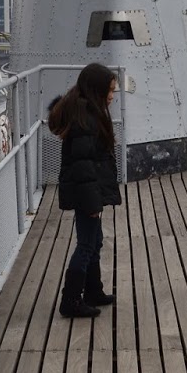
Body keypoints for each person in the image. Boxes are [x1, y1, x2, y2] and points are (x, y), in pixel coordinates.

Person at [48, 62, 122, 318]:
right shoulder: (86, 120)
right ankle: (71, 301)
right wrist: (92, 203)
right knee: (87, 244)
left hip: (87, 192)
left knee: (95, 241)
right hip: (86, 194)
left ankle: (93, 291)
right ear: (97, 90)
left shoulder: (85, 113)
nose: (113, 95)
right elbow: (83, 166)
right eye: (110, 90)